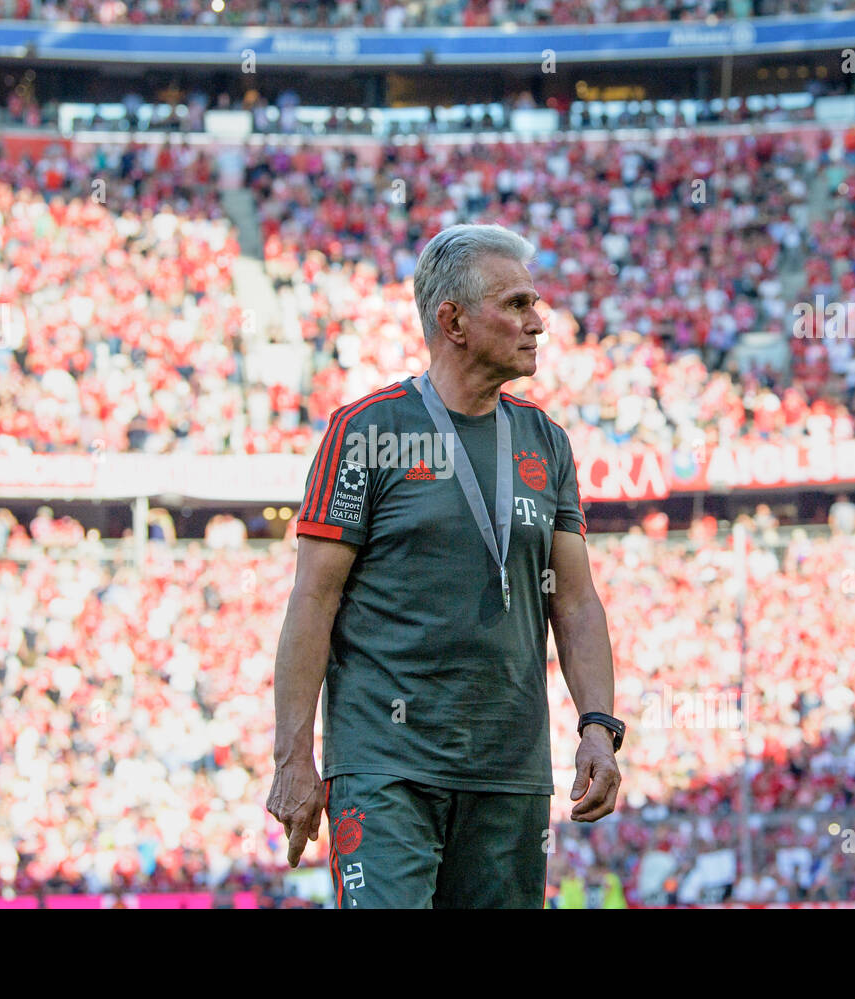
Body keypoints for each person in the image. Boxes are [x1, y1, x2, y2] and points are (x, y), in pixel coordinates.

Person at [266, 224, 623, 909]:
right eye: (516, 304)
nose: (538, 322)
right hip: (384, 767)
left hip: (509, 770)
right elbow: (313, 598)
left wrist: (599, 726)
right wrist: (293, 758)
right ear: (452, 321)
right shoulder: (366, 431)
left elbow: (575, 602)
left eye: (535, 303)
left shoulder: (546, 443)